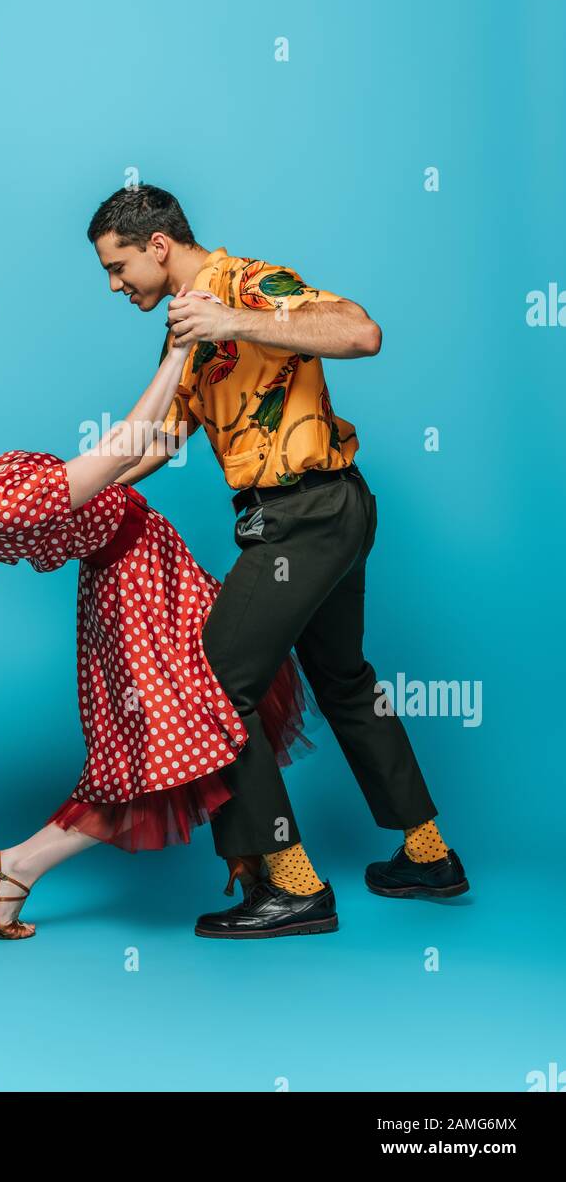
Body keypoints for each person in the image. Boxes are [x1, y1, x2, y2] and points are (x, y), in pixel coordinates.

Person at [0, 314, 324, 940]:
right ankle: (262, 875)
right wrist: (182, 351)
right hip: (137, 589)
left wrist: (184, 399)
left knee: (192, 730)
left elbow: (120, 470)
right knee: (190, 730)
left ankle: (34, 869)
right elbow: (126, 443)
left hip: (143, 572)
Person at [87, 183, 470, 940]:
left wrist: (233, 317)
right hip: (311, 516)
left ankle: (292, 884)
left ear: (157, 245)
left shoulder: (244, 284)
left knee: (211, 687)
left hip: (308, 513)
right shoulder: (182, 330)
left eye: (117, 265)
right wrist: (69, 501)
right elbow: (159, 441)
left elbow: (361, 334)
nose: (114, 284)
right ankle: (428, 857)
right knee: (343, 679)